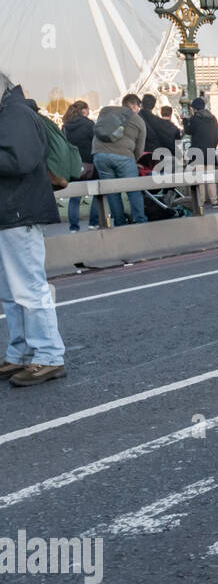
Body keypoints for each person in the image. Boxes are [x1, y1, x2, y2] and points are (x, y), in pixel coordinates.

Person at [0, 72, 66, 386]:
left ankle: (49, 356)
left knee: (28, 288)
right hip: (9, 213)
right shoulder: (10, 113)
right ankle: (21, 354)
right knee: (11, 293)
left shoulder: (16, 115)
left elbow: (20, 161)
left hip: (19, 212)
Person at [90, 93, 147, 225]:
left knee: (112, 191)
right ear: (133, 105)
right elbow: (139, 148)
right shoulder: (138, 120)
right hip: (124, 156)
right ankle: (140, 221)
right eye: (138, 106)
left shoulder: (105, 111)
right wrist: (135, 161)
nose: (138, 109)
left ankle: (120, 223)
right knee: (133, 190)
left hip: (100, 155)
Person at [62, 101, 96, 231]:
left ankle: (74, 227)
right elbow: (95, 142)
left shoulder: (65, 126)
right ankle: (93, 223)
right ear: (84, 110)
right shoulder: (89, 124)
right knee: (97, 194)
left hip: (73, 166)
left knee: (74, 198)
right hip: (89, 164)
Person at [184, 98, 218, 207]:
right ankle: (214, 201)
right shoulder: (213, 118)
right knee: (210, 178)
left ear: (194, 108)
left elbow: (188, 131)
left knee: (200, 179)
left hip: (198, 152)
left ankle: (201, 201)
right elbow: (217, 135)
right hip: (210, 151)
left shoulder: (195, 119)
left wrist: (186, 121)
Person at [140, 93, 181, 170]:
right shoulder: (163, 124)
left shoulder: (136, 118)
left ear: (141, 104)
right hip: (158, 156)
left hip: (142, 156)